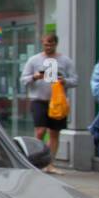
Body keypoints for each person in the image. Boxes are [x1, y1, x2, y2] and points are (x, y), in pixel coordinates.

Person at [20, 33, 78, 174]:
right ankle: (36, 162)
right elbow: (23, 79)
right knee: (40, 131)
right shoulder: (34, 60)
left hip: (57, 102)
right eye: (46, 44)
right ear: (42, 44)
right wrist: (35, 77)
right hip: (39, 100)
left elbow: (75, 80)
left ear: (56, 44)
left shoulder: (65, 61)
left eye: (51, 44)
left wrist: (64, 81)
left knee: (54, 133)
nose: (48, 47)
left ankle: (50, 164)